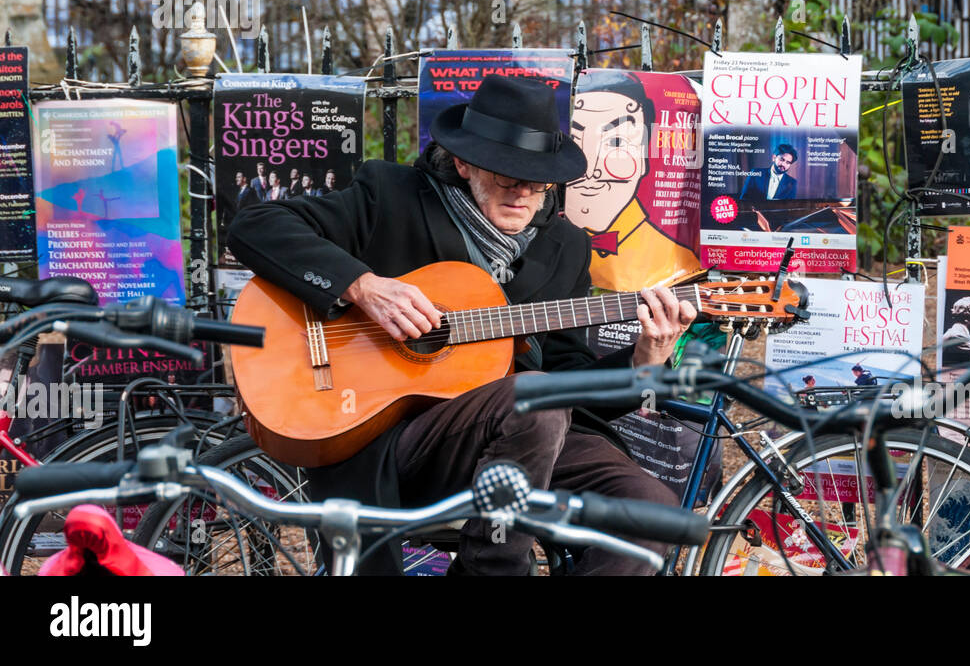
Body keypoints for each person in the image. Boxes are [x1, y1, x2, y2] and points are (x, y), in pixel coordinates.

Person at [227, 76, 696, 576]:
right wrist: (363, 286)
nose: (523, 192)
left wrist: (646, 361)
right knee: (533, 398)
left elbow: (570, 373)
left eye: (537, 179)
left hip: (527, 443)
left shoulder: (564, 247)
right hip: (397, 443)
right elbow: (254, 226)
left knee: (651, 511)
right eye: (506, 174)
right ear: (464, 162)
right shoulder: (392, 195)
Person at [565, 71, 699, 289]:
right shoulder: (535, 245)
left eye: (617, 142)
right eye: (575, 140)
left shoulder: (677, 262)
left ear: (644, 159)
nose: (591, 171)